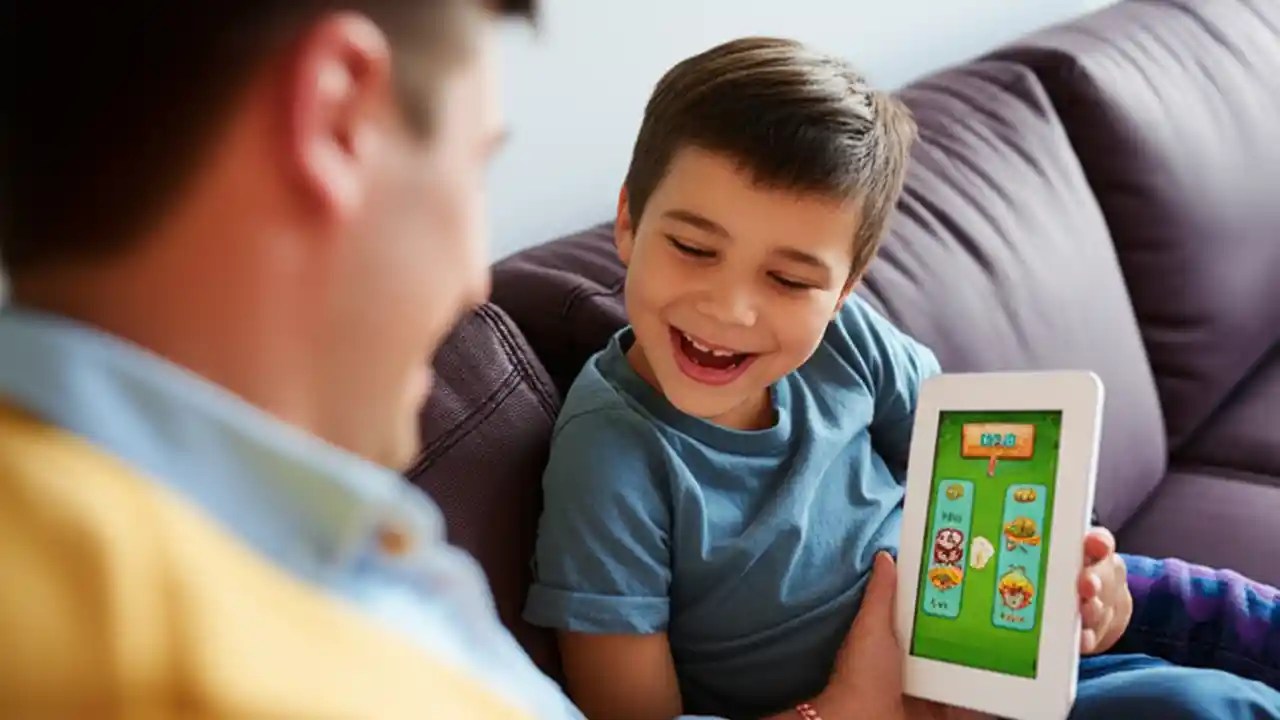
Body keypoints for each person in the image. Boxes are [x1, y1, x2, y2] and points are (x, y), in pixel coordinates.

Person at [523, 37, 1280, 720]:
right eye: (693, 247)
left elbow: (974, 470)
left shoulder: (846, 339)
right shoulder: (612, 457)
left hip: (976, 628)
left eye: (789, 279)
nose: (730, 308)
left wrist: (1078, 589)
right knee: (1211, 707)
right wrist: (848, 711)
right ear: (628, 222)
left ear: (846, 287)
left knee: (1219, 610)